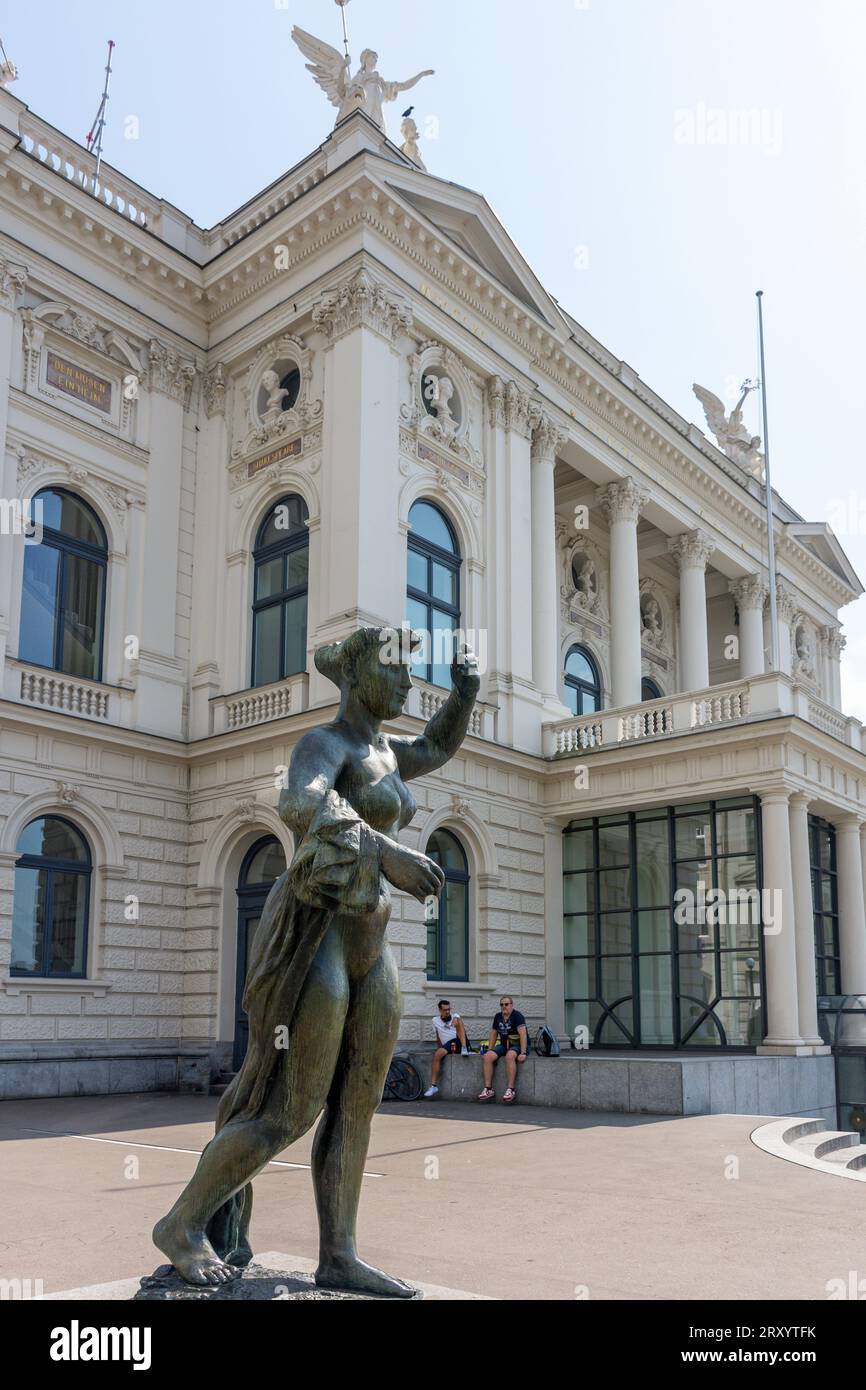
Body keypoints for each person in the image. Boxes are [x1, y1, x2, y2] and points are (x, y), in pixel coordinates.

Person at [152, 627, 479, 1293]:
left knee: (358, 1105)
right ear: (356, 674)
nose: (407, 682)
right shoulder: (324, 744)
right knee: (291, 1109)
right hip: (316, 934)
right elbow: (299, 802)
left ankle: (340, 1254)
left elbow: (438, 746)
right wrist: (385, 851)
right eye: (394, 669)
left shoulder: (387, 751)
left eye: (411, 671)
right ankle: (181, 1224)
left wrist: (465, 695)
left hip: (371, 945)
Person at [477, 996, 528, 1104]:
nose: (504, 1006)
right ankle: (488, 1089)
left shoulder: (517, 1016)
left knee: (509, 1056)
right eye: (501, 1004)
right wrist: (490, 1049)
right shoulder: (498, 1016)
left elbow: (523, 1035)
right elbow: (494, 1034)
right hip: (504, 1045)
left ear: (511, 1005)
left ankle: (511, 1090)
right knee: (487, 1057)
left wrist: (523, 1053)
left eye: (506, 1004)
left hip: (517, 1045)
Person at [424, 999, 469, 1097]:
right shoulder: (435, 1020)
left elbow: (458, 1023)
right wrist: (439, 1047)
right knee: (437, 1055)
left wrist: (455, 1019)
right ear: (440, 1010)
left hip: (459, 1041)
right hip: (448, 1046)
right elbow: (438, 1035)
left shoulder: (455, 1016)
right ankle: (433, 1086)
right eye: (445, 1010)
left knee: (458, 1019)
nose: (447, 1012)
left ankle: (464, 1048)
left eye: (449, 1009)